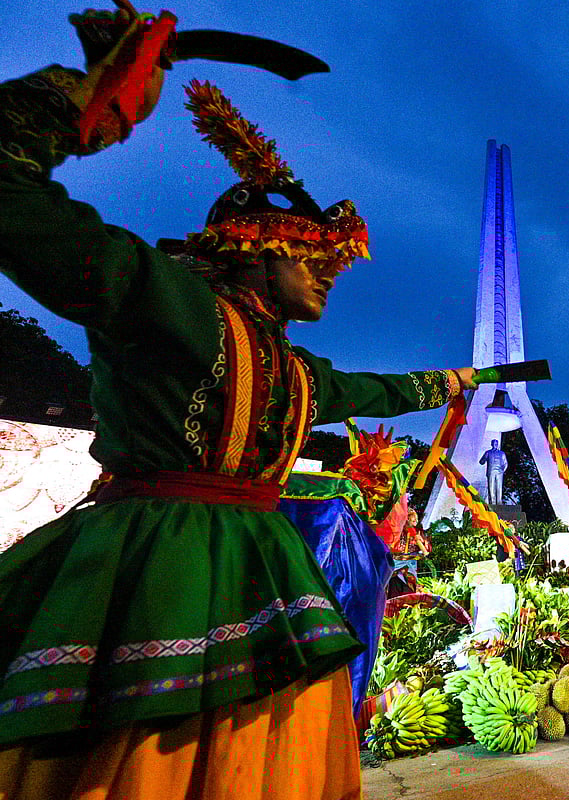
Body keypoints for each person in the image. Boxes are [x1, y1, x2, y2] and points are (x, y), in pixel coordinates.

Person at [0, 17, 477, 797]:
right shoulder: (166, 300)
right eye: (313, 255)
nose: (331, 272)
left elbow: (373, 390)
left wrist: (451, 383)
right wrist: (89, 100)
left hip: (269, 575)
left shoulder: (293, 370)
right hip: (154, 574)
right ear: (256, 245)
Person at [479, 439, 508, 506]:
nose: (495, 445)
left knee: (499, 486)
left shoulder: (502, 453)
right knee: (491, 487)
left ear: (497, 444)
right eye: (494, 443)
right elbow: (481, 462)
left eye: (496, 443)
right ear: (491, 444)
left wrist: (502, 471)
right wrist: (484, 459)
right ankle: (492, 502)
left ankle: (499, 502)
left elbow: (505, 463)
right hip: (491, 471)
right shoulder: (488, 452)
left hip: (499, 472)